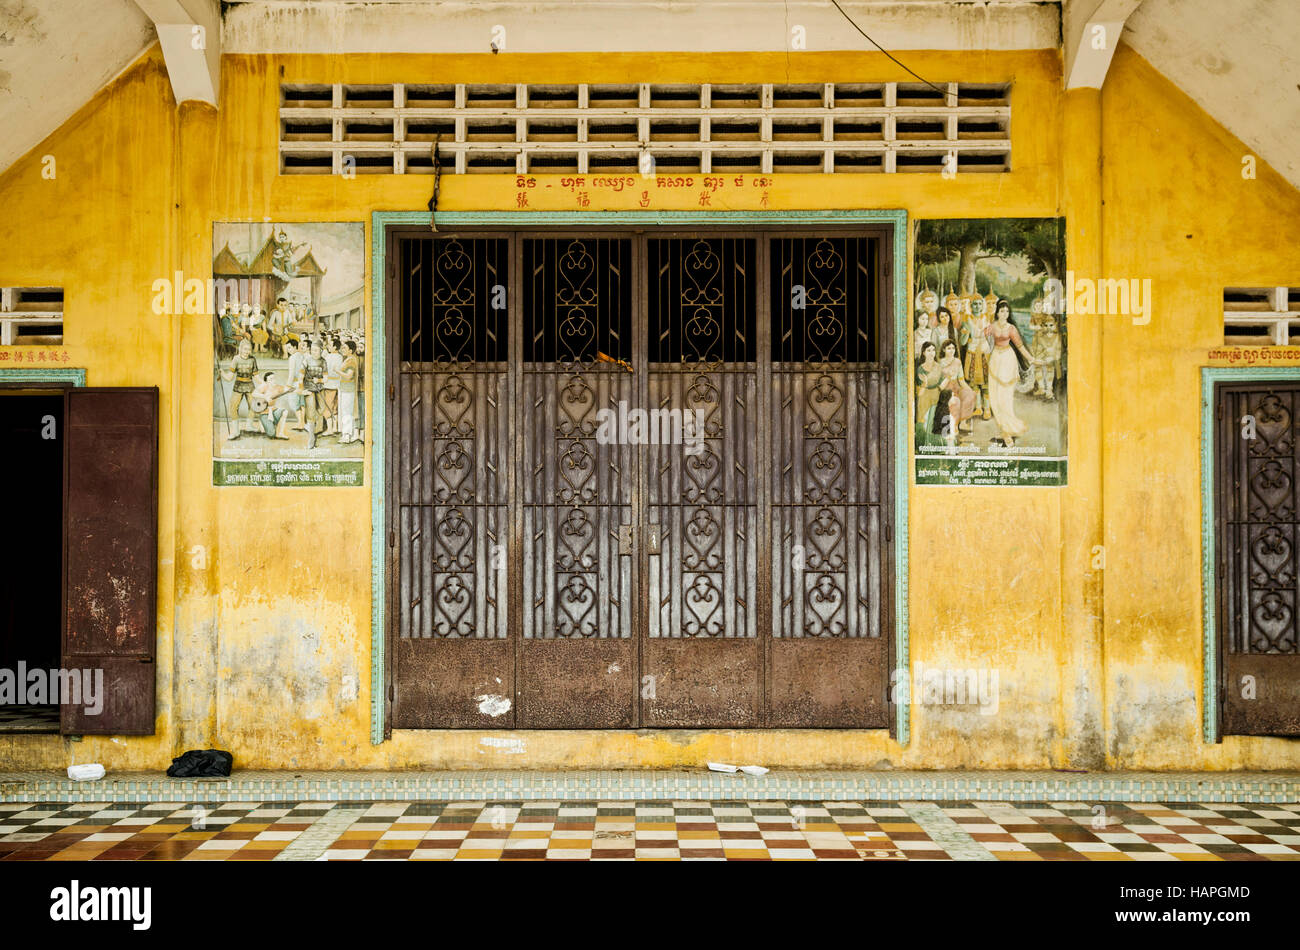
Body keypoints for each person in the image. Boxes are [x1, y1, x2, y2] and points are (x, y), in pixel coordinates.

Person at [985, 298, 1036, 447]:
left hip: (1008, 360)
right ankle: (1004, 430)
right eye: (1002, 311)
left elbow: (1020, 347)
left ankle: (1008, 429)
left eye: (1007, 311)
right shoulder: (990, 327)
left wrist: (1031, 359)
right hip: (995, 361)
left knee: (1005, 398)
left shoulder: (1011, 329)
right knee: (995, 397)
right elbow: (983, 344)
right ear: (997, 312)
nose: (1005, 314)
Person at [960, 294, 992, 419]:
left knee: (986, 382)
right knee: (974, 382)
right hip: (972, 352)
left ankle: (987, 409)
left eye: (979, 303)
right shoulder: (966, 319)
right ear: (971, 305)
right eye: (975, 304)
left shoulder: (987, 318)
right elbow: (963, 342)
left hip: (985, 352)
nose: (977, 306)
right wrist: (965, 334)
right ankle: (978, 407)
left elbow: (991, 338)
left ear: (982, 305)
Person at [220, 338, 258, 440]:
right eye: (245, 349)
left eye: (249, 349)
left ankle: (249, 425)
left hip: (250, 385)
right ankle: (235, 431)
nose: (247, 352)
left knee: (254, 405)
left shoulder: (252, 359)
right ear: (240, 349)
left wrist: (265, 384)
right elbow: (229, 377)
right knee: (233, 406)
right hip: (238, 385)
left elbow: (256, 376)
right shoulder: (236, 359)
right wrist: (222, 373)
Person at [298, 338, 331, 450]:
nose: (313, 352)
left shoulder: (323, 362)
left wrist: (319, 381)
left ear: (321, 350)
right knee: (311, 412)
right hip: (309, 390)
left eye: (316, 350)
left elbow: (326, 378)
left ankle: (315, 427)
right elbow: (300, 377)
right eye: (312, 350)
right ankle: (311, 439)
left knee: (321, 409)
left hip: (320, 389)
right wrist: (302, 390)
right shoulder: (306, 361)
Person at [938, 340, 976, 435]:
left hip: (956, 386)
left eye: (953, 348)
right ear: (944, 350)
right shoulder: (940, 363)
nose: (951, 351)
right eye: (949, 348)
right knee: (955, 401)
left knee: (970, 395)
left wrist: (970, 391)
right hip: (945, 388)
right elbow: (939, 383)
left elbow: (961, 380)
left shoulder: (957, 362)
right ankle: (954, 425)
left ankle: (960, 421)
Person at [914, 341, 943, 439]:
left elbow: (942, 384)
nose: (931, 353)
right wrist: (925, 383)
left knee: (934, 421)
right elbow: (919, 392)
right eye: (929, 350)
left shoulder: (938, 367)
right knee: (923, 421)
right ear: (924, 353)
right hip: (924, 397)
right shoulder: (920, 369)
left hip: (936, 395)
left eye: (933, 350)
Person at [252, 371, 291, 439]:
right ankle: (265, 423)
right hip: (264, 413)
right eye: (271, 379)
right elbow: (254, 393)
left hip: (273, 411)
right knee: (271, 434)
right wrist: (265, 397)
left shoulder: (277, 387)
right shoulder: (264, 386)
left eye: (274, 378)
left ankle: (280, 433)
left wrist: (299, 390)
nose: (273, 380)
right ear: (266, 381)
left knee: (284, 411)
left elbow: (287, 389)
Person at [338, 340, 361, 444]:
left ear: (351, 350)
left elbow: (349, 375)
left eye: (345, 348)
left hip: (348, 390)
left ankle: (346, 435)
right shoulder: (347, 359)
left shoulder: (351, 360)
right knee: (345, 412)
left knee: (347, 413)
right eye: (342, 348)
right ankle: (346, 434)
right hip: (345, 389)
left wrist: (337, 371)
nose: (343, 350)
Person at [322, 334, 343, 435]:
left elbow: (324, 371)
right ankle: (335, 427)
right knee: (335, 407)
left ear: (335, 347)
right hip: (338, 385)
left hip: (329, 385)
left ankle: (329, 429)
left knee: (327, 407)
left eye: (330, 345)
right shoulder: (341, 357)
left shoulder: (328, 357)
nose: (328, 346)